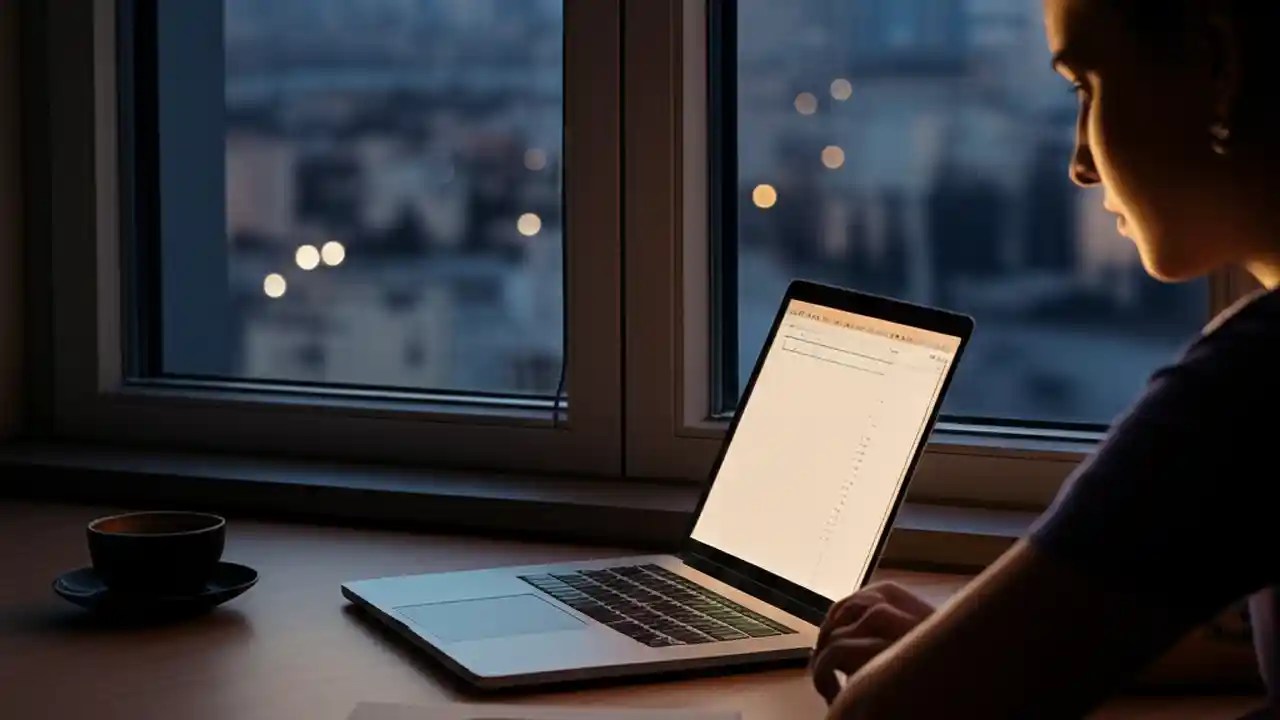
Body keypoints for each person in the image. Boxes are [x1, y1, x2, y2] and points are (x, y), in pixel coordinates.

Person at [808, 1, 1280, 717]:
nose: (1080, 164)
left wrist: (966, 659)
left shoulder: (1252, 392)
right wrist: (976, 642)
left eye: (1087, 88)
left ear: (1219, 70)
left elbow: (881, 715)